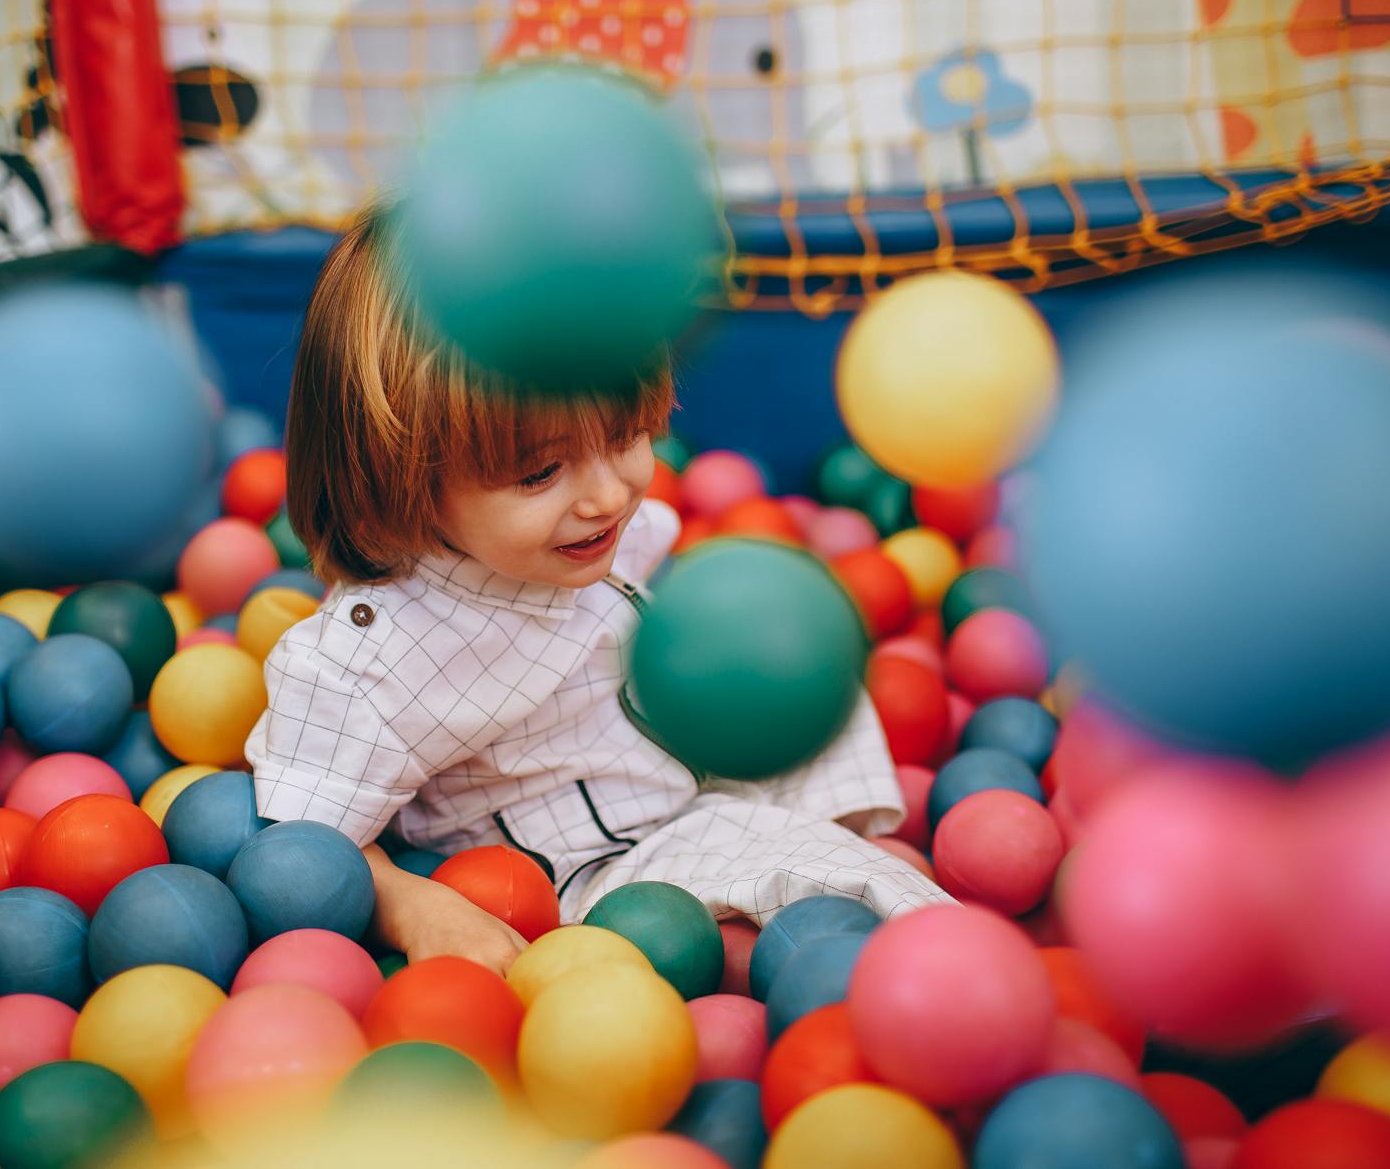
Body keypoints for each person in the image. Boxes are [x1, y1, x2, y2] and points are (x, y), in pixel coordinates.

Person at [245, 206, 949, 975]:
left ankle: (836, 843)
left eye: (622, 436)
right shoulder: (369, 663)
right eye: (541, 471)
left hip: (687, 751)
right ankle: (913, 939)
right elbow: (305, 845)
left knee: (814, 669)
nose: (609, 497)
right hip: (614, 866)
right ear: (397, 473)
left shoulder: (579, 531)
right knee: (838, 882)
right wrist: (419, 907)